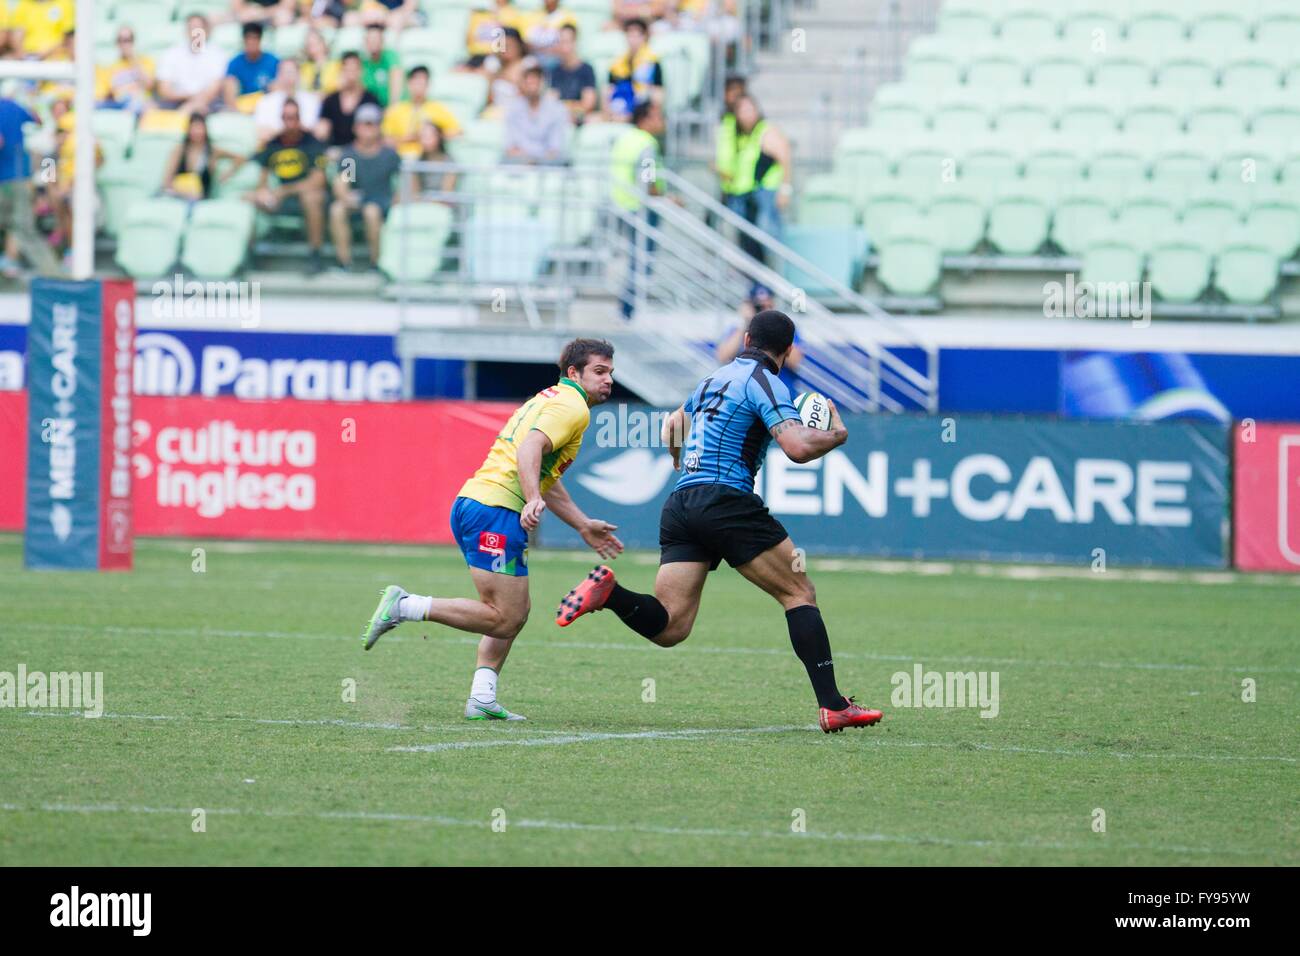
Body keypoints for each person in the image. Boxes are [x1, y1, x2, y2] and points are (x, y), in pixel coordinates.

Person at [555, 310, 883, 734]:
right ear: (786, 351)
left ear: (746, 338)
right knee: (799, 593)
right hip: (726, 499)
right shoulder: (768, 382)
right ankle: (834, 706)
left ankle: (612, 593)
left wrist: (679, 460)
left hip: (682, 501)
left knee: (672, 626)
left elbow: (673, 424)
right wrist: (838, 435)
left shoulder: (713, 378)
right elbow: (797, 448)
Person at [361, 339, 625, 723]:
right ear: (574, 373)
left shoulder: (548, 399)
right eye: (600, 372)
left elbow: (544, 471)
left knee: (514, 612)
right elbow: (529, 449)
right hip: (495, 511)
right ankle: (404, 606)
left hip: (479, 504)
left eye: (611, 373)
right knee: (504, 616)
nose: (608, 381)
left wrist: (581, 523)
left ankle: (482, 697)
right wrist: (532, 498)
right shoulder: (572, 407)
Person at [240, 98, 329, 274]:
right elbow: (263, 177)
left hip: (304, 195)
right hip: (278, 198)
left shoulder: (312, 142)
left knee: (311, 198)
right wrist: (262, 192)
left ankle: (315, 255)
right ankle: (248, 257)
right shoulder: (273, 144)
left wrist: (284, 191)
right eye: (286, 118)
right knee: (247, 200)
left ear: (299, 118)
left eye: (293, 117)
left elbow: (318, 181)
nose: (290, 122)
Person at [610, 100, 665, 319]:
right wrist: (665, 196)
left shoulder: (625, 138)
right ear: (644, 119)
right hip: (639, 207)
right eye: (657, 116)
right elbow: (648, 179)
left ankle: (627, 308)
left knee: (635, 258)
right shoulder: (646, 143)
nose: (661, 121)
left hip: (622, 203)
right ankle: (629, 311)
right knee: (641, 259)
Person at [329, 102, 400, 270]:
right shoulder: (350, 155)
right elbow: (343, 182)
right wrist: (346, 198)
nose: (368, 129)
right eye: (364, 124)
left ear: (379, 127)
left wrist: (397, 200)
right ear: (356, 127)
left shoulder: (389, 154)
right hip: (359, 200)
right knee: (337, 209)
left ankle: (376, 263)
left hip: (382, 201)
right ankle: (344, 262)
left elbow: (402, 182)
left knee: (372, 211)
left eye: (372, 124)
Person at [724, 93, 791, 265]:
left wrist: (785, 189)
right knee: (747, 240)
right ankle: (757, 284)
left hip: (765, 193)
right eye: (742, 110)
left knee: (767, 235)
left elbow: (784, 157)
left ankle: (772, 281)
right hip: (744, 194)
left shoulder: (766, 130)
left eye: (749, 109)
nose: (746, 114)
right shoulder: (740, 135)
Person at [0, 95, 60, 277]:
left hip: (7, 179)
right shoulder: (14, 106)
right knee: (22, 228)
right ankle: (53, 275)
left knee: (21, 228)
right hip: (22, 176)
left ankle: (53, 276)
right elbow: (37, 120)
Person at [715, 284, 804, 386]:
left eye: (769, 306)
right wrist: (747, 322)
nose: (765, 310)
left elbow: (795, 361)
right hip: (747, 392)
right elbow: (722, 356)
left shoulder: (784, 327)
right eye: (760, 307)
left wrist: (772, 325)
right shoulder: (738, 329)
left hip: (780, 392)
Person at [381, 66, 461, 158]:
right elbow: (385, 140)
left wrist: (433, 135)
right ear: (408, 84)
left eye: (422, 83)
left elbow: (457, 132)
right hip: (399, 160)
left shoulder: (437, 109)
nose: (419, 87)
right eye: (416, 82)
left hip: (426, 161)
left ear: (428, 85)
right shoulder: (396, 110)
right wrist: (412, 138)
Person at [155, 15, 229, 113]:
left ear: (206, 31)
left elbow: (215, 89)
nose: (195, 33)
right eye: (192, 28)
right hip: (175, 101)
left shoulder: (217, 54)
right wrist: (188, 98)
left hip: (208, 103)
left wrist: (192, 105)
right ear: (186, 31)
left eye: (199, 29)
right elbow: (164, 89)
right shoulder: (171, 53)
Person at [163, 112, 244, 201]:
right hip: (179, 195)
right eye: (194, 128)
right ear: (188, 130)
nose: (197, 132)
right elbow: (167, 181)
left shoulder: (212, 151)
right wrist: (184, 193)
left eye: (200, 128)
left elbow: (240, 157)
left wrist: (227, 174)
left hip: (202, 198)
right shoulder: (180, 150)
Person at [503, 65, 570, 165]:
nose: (532, 87)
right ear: (522, 84)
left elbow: (555, 148)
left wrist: (538, 162)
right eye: (528, 83)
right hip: (520, 164)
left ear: (543, 83)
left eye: (535, 83)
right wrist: (527, 161)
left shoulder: (557, 109)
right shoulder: (513, 109)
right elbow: (510, 146)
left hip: (548, 164)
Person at [316, 51, 381, 150]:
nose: (351, 74)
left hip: (363, 152)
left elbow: (377, 131)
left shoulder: (371, 99)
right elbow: (322, 129)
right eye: (347, 70)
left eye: (354, 70)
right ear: (341, 71)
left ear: (361, 71)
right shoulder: (331, 100)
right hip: (335, 152)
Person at [254, 59, 322, 144]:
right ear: (278, 75)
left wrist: (280, 131)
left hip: (305, 146)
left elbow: (314, 128)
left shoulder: (311, 100)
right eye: (284, 72)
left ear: (299, 75)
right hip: (275, 147)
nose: (288, 76)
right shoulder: (265, 101)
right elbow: (261, 132)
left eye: (291, 72)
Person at [606, 17, 662, 120]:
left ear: (644, 37)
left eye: (637, 35)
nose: (633, 40)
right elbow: (609, 90)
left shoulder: (652, 62)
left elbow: (658, 92)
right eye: (630, 35)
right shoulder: (617, 64)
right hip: (619, 107)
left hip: (642, 110)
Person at [94, 26, 155, 114]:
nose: (124, 44)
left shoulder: (146, 61)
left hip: (139, 103)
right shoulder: (110, 67)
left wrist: (133, 59)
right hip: (117, 103)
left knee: (141, 104)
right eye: (120, 40)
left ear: (133, 42)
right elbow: (106, 93)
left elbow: (149, 85)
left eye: (127, 40)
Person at [546, 24, 597, 125]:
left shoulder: (586, 69)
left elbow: (588, 104)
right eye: (559, 42)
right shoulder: (554, 70)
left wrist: (567, 108)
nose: (563, 47)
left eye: (566, 42)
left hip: (579, 117)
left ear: (575, 43)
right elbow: (551, 100)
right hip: (560, 117)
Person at [224, 22, 280, 110]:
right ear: (243, 40)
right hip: (242, 104)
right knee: (229, 82)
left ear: (260, 39)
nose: (251, 42)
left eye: (255, 38)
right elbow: (229, 86)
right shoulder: (235, 63)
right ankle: (235, 114)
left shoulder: (273, 61)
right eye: (248, 38)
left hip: (266, 104)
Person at [408, 120, 457, 199]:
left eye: (430, 136)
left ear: (439, 137)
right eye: (423, 136)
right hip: (420, 204)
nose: (426, 140)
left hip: (441, 206)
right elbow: (414, 192)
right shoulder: (416, 162)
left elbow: (446, 194)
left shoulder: (450, 162)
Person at [8, 0, 74, 58]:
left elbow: (68, 38)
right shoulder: (24, 4)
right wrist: (23, 54)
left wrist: (46, 52)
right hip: (29, 59)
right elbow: (18, 34)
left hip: (57, 59)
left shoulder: (64, 3)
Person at [359, 23, 402, 107]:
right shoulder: (364, 64)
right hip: (375, 108)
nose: (373, 42)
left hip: (395, 106)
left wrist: (392, 106)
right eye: (370, 39)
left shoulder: (390, 56)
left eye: (375, 39)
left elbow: (396, 78)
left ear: (382, 41)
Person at [299, 27, 341, 95]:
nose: (312, 47)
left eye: (315, 43)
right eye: (309, 44)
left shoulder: (337, 65)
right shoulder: (304, 67)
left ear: (323, 43)